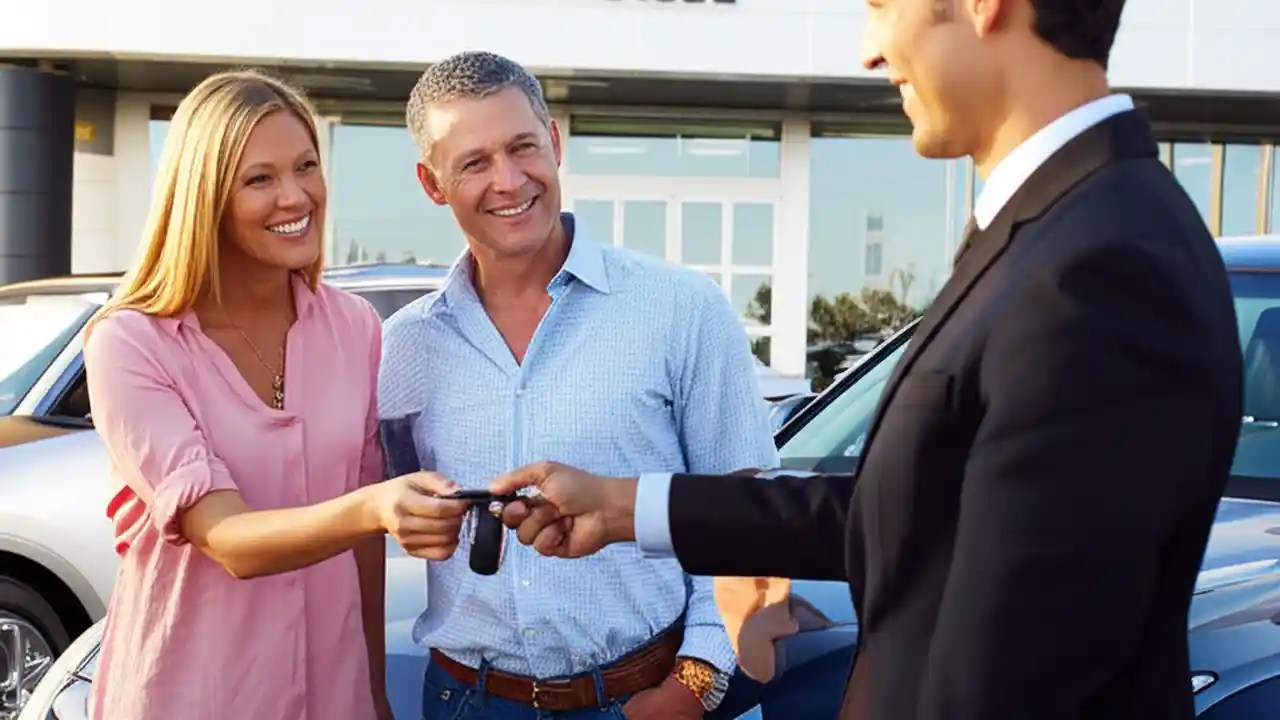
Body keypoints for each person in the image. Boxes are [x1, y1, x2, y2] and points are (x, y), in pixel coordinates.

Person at [490, 0, 1245, 718]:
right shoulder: (1059, 227)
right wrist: (628, 507)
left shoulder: (1103, 266)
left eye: (884, 4)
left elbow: (1023, 669)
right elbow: (914, 515)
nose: (869, 48)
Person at [376, 50, 779, 719]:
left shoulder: (680, 308)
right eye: (474, 162)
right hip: (465, 701)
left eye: (523, 147)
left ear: (555, 143)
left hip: (649, 696)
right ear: (432, 182)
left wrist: (696, 685)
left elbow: (751, 517)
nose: (508, 181)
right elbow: (391, 518)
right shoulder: (405, 346)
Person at [83, 68, 469, 720]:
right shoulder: (130, 344)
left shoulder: (354, 329)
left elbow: (363, 548)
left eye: (307, 167)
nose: (296, 196)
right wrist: (373, 506)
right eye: (260, 179)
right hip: (188, 696)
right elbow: (227, 536)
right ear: (204, 197)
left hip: (332, 697)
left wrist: (371, 693)